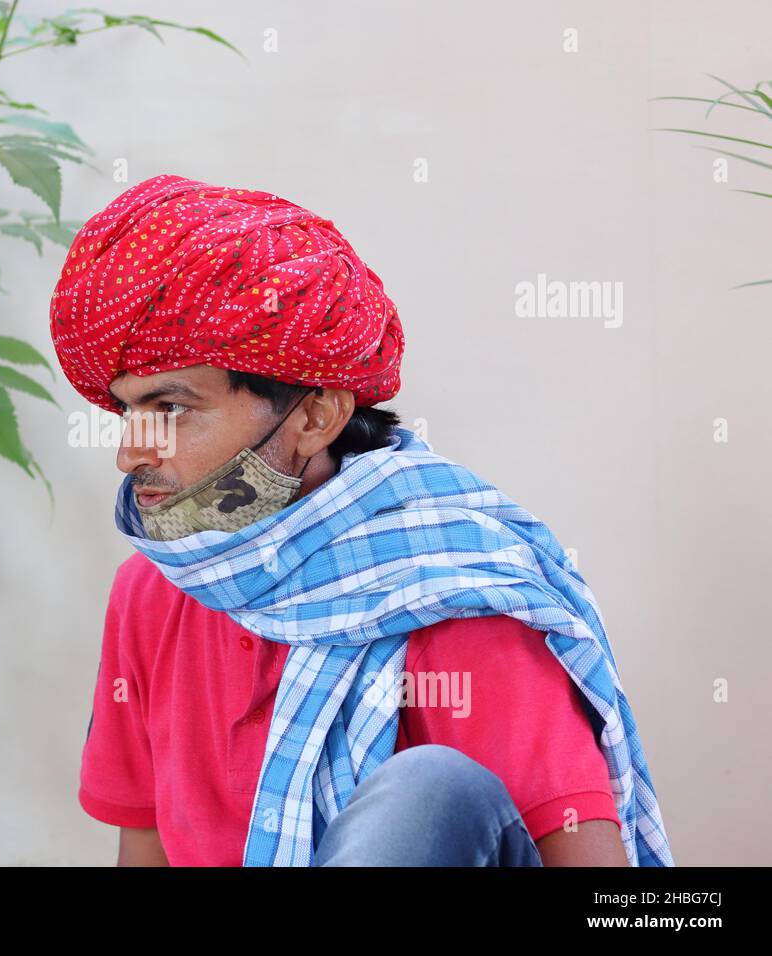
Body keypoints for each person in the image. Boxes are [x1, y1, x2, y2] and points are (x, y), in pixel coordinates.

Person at [49, 173, 673, 868]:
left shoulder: (450, 594)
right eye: (128, 411)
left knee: (426, 793)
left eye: (171, 410)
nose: (131, 453)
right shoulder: (153, 592)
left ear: (316, 416)